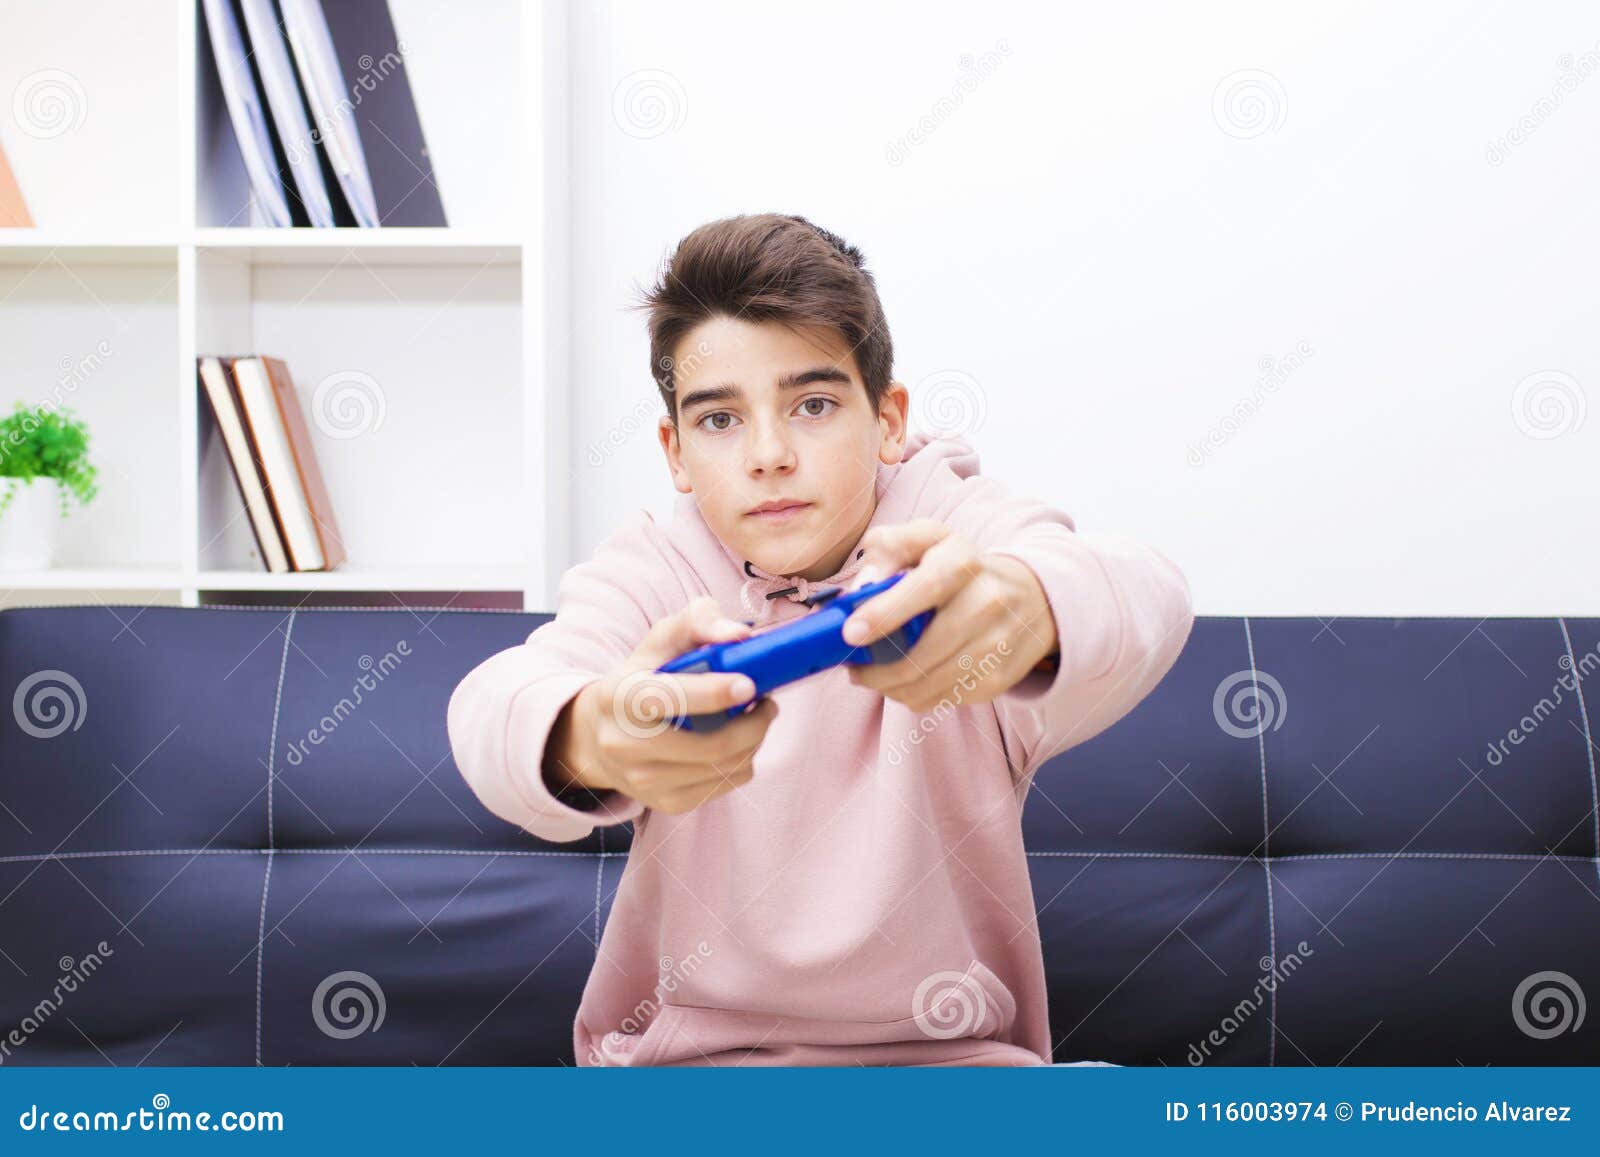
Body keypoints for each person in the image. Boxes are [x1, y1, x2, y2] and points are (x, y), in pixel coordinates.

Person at [446, 213, 1193, 1066]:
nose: (768, 454)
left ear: (886, 419)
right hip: (685, 1081)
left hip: (956, 1076)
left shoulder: (952, 529)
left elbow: (1151, 591)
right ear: (676, 451)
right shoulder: (656, 568)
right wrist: (588, 734)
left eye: (812, 404)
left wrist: (1031, 608)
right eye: (720, 419)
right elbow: (494, 703)